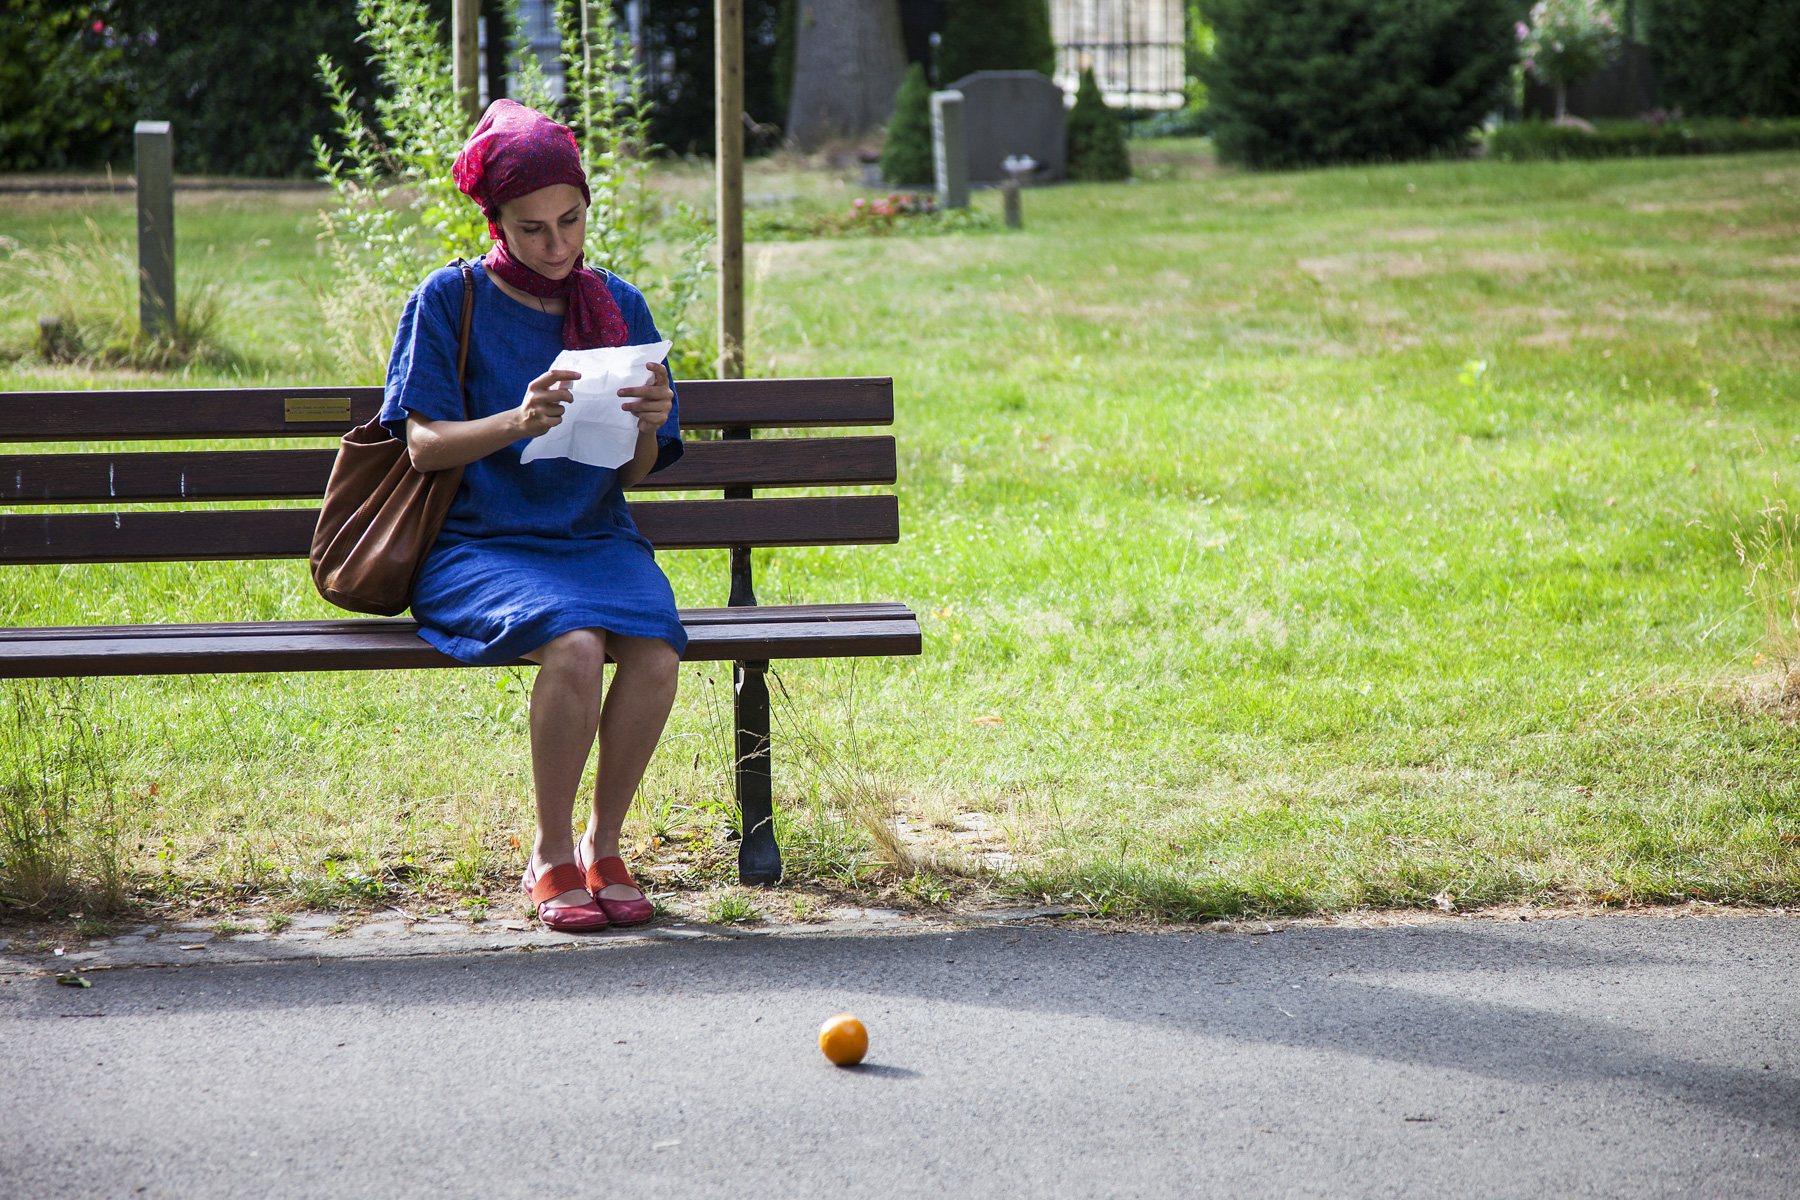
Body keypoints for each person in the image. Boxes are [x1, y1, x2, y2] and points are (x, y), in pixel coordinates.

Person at [379, 100, 684, 931]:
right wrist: (517, 421)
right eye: (532, 229)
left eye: (571, 222)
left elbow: (636, 471)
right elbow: (423, 446)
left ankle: (603, 843)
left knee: (657, 656)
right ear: (496, 221)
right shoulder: (450, 300)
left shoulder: (617, 304)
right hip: (478, 543)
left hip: (590, 536)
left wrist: (649, 426)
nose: (556, 247)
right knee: (577, 645)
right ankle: (549, 854)